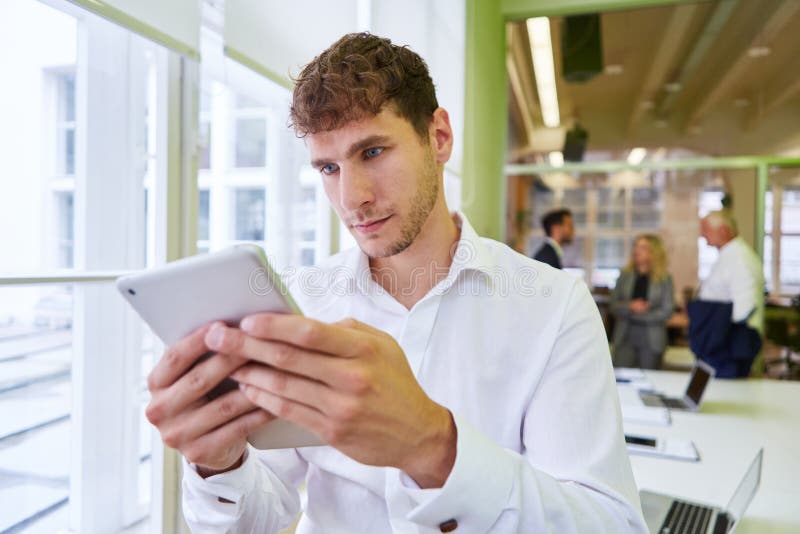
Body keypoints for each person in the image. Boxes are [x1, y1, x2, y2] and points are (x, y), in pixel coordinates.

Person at [145, 33, 646, 532]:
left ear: (439, 138)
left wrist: (433, 447)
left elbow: (611, 525)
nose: (352, 197)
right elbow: (260, 517)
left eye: (373, 152)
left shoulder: (553, 307)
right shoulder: (306, 301)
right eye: (328, 167)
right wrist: (220, 463)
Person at [689, 209, 764, 377]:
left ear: (723, 230)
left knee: (727, 393)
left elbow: (745, 306)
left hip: (730, 340)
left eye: (706, 230)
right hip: (721, 337)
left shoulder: (740, 258)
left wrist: (716, 334)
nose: (702, 236)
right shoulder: (729, 255)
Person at [610, 234, 675, 369]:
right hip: (624, 336)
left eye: (643, 247)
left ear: (654, 252)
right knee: (621, 379)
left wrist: (638, 315)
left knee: (649, 381)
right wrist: (630, 306)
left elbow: (667, 311)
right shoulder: (625, 275)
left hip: (651, 339)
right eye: (636, 246)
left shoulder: (664, 278)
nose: (636, 250)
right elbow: (613, 305)